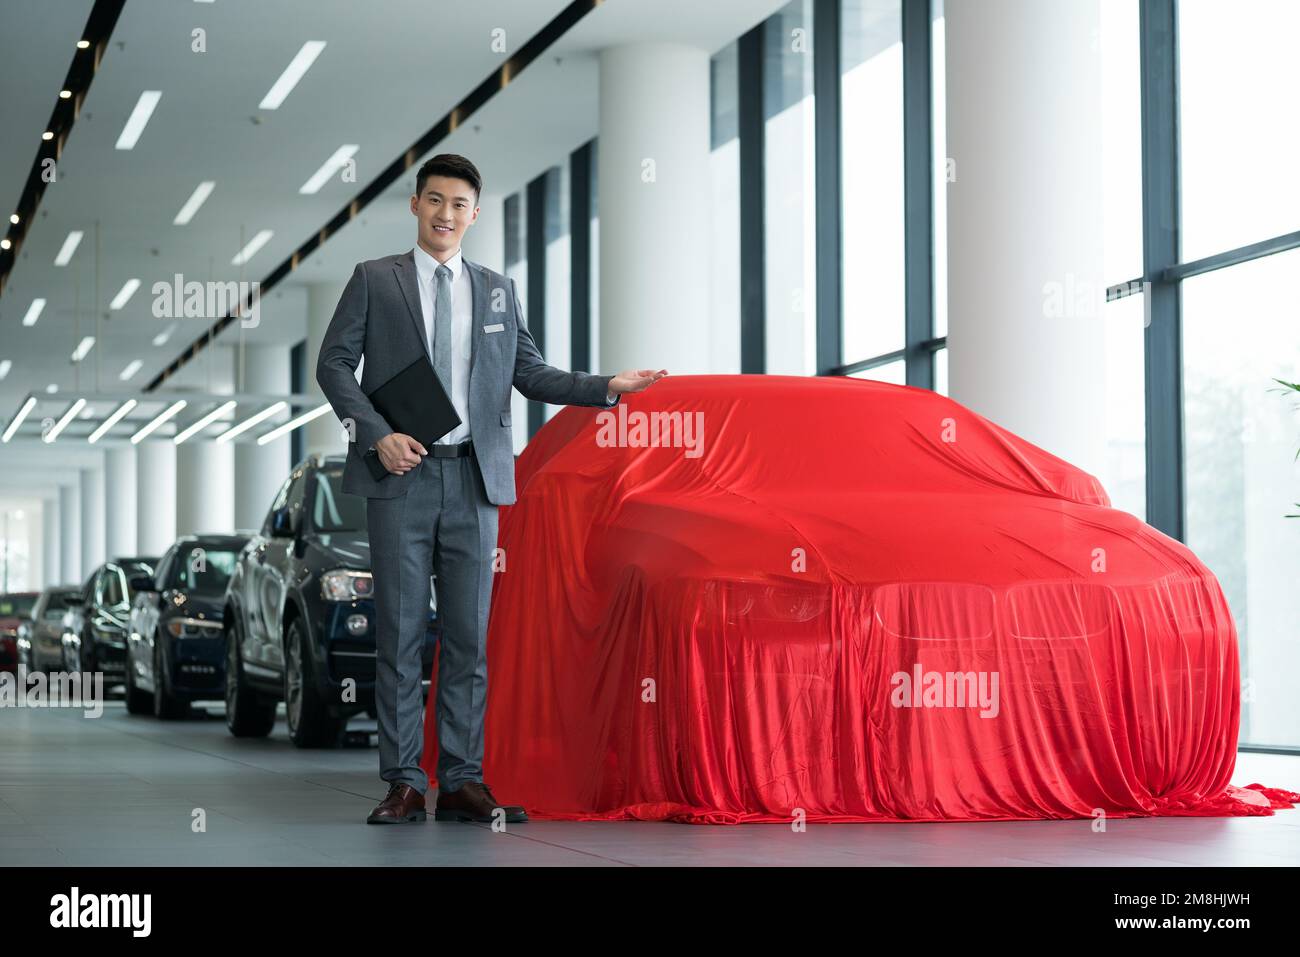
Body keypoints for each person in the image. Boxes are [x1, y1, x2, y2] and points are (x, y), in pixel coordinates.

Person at [316, 153, 665, 824]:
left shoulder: (498, 290)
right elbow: (333, 364)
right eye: (435, 200)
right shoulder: (374, 281)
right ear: (414, 205)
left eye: (459, 205)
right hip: (401, 477)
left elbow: (529, 373)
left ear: (474, 215)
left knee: (471, 637)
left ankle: (463, 779)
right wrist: (374, 432)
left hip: (475, 481)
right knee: (401, 634)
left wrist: (604, 388)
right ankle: (403, 781)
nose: (446, 214)